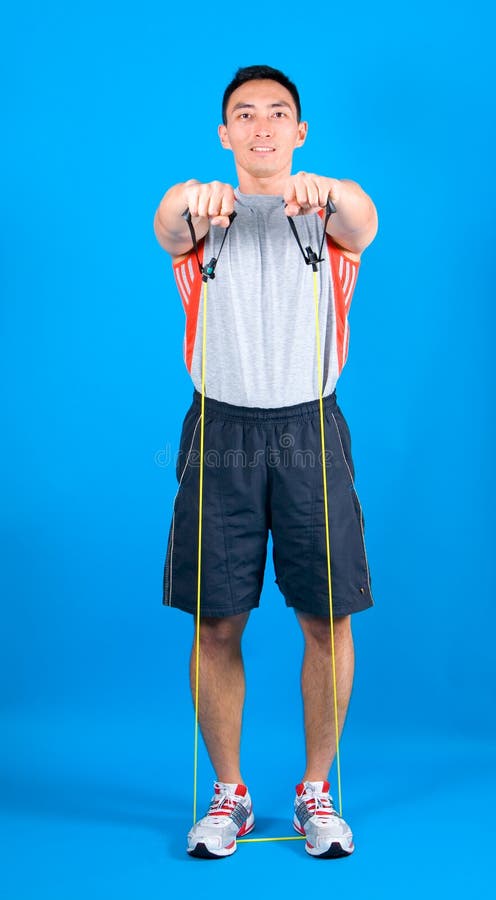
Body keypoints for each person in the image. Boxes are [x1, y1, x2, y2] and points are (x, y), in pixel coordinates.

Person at [153, 64, 378, 860]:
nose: (261, 127)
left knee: (327, 617)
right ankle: (229, 796)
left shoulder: (327, 212)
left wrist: (332, 190)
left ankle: (316, 792)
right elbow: (167, 221)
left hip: (310, 427)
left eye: (277, 114)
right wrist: (188, 196)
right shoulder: (201, 216)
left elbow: (366, 216)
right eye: (244, 115)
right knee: (218, 622)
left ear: (299, 130)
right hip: (222, 430)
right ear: (225, 134)